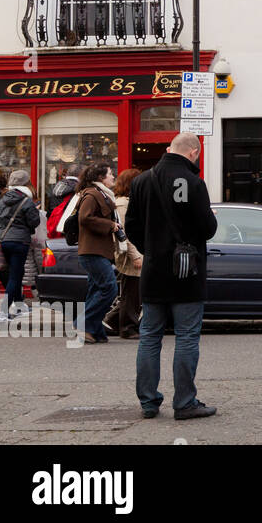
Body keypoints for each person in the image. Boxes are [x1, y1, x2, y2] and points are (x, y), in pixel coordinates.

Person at [126, 132, 219, 420]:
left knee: (150, 336)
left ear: (171, 149)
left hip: (154, 270)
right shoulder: (193, 182)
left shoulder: (142, 181)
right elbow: (207, 228)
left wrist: (151, 249)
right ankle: (185, 402)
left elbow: (131, 225)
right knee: (187, 336)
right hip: (186, 271)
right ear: (193, 153)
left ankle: (148, 402)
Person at [73, 162, 121, 345]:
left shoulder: (101, 193)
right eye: (110, 174)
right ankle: (83, 324)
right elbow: (84, 218)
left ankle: (96, 331)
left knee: (96, 290)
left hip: (98, 250)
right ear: (101, 178)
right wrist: (110, 225)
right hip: (92, 251)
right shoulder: (92, 194)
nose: (113, 177)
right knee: (109, 289)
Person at [0, 170, 41, 320]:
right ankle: (4, 312)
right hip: (20, 242)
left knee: (17, 275)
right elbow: (35, 222)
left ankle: (19, 306)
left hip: (4, 240)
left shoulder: (2, 200)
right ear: (26, 183)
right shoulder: (26, 201)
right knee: (15, 276)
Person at [103, 168, 144, 339]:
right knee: (131, 292)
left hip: (133, 252)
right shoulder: (122, 205)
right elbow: (123, 233)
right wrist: (135, 255)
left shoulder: (127, 202)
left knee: (133, 292)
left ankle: (111, 322)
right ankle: (127, 327)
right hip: (129, 254)